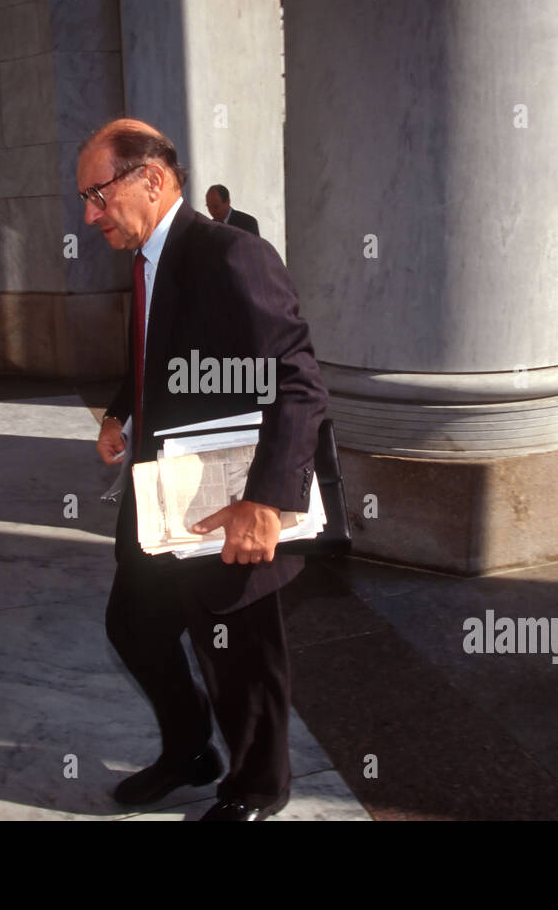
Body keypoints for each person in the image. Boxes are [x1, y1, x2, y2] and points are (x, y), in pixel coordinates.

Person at [79, 118, 326, 821]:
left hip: (229, 499)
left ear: (150, 179)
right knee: (132, 624)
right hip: (160, 494)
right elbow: (158, 352)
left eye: (98, 195)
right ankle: (191, 749)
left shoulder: (228, 254)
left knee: (239, 654)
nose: (89, 214)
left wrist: (268, 501)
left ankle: (257, 787)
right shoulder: (147, 259)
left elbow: (297, 379)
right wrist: (120, 411)